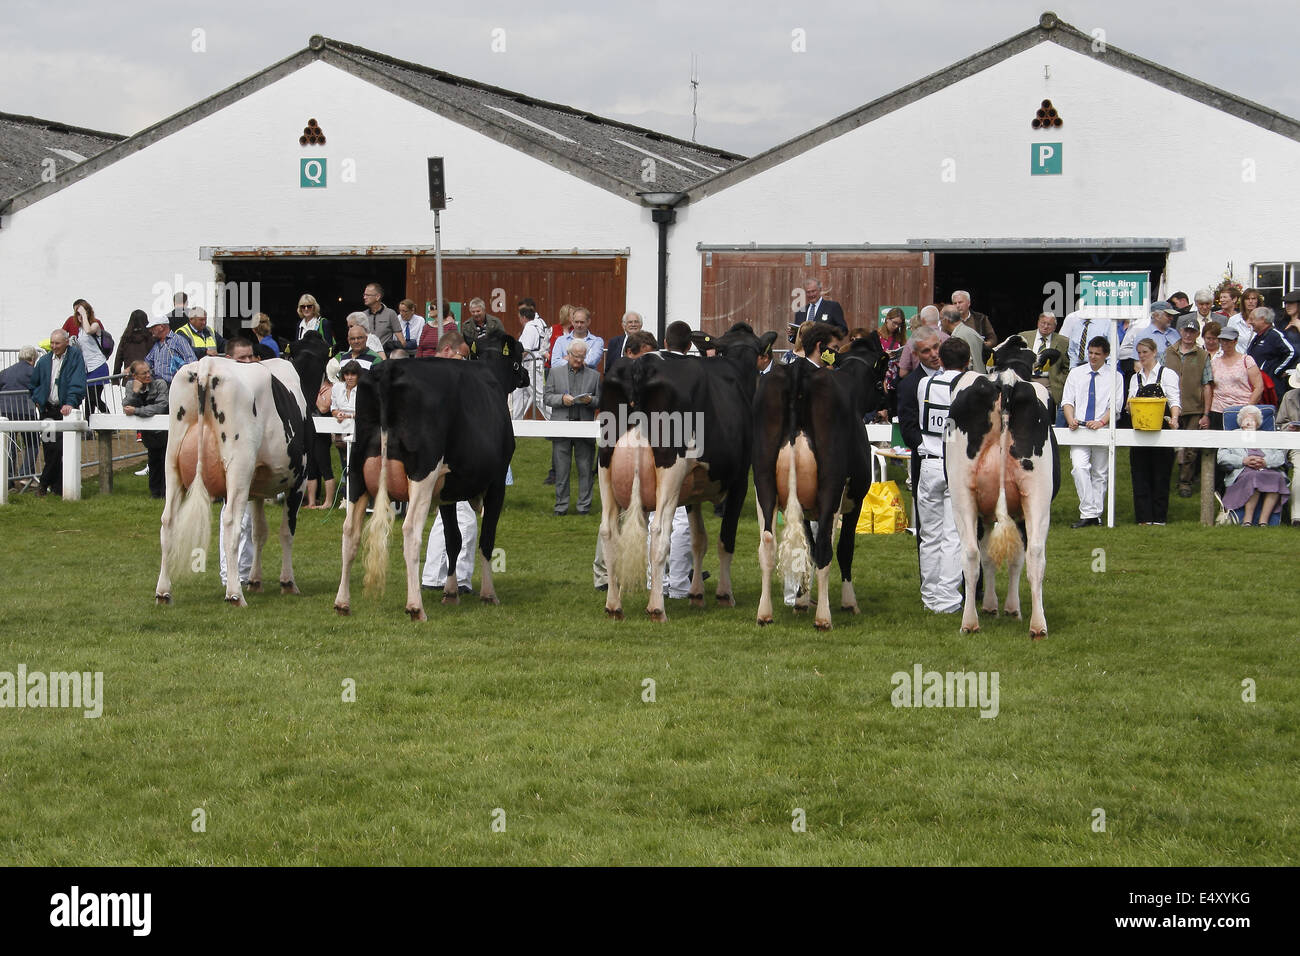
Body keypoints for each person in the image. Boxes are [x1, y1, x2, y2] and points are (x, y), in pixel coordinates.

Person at [898, 330, 966, 613]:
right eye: (927, 351)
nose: (933, 354)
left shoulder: (923, 384)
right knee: (952, 533)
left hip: (929, 462)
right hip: (951, 461)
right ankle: (947, 599)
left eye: (937, 349)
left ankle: (931, 597)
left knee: (929, 534)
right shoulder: (965, 385)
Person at [422, 336, 478, 594]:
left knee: (441, 518)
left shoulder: (426, 375)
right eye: (461, 356)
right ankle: (460, 577)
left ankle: (434, 575)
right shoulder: (447, 379)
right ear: (448, 350)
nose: (464, 362)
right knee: (463, 517)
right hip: (449, 455)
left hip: (430, 455)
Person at [1061, 336, 1123, 527]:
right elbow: (1067, 400)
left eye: (1097, 353)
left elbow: (1116, 405)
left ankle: (1094, 516)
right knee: (1079, 468)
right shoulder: (1076, 373)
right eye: (1090, 352)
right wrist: (1070, 419)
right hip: (1079, 428)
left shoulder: (1115, 376)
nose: (1093, 357)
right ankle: (1089, 512)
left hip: (1101, 428)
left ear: (1105, 355)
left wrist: (1101, 421)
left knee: (1100, 474)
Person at [1127, 338, 1181, 525]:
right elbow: (1130, 403)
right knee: (1140, 474)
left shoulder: (1167, 374)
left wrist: (1174, 419)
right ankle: (1143, 517)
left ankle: (1159, 517)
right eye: (1139, 352)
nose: (1142, 356)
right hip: (1140, 429)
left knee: (1161, 474)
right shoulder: (1136, 378)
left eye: (1145, 352)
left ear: (1154, 352)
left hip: (1162, 430)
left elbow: (1174, 400)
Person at [27, 329, 87, 497]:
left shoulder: (75, 357)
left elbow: (77, 382)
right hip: (47, 411)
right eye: (52, 343)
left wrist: (70, 402)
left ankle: (44, 483)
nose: (54, 346)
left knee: (60, 448)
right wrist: (38, 399)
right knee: (49, 448)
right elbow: (34, 384)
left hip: (64, 412)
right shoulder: (44, 361)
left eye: (57, 343)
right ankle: (57, 486)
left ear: (66, 342)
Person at [545, 339, 600, 515]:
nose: (578, 360)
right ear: (568, 355)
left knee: (585, 470)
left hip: (584, 427)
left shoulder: (594, 376)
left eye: (582, 357)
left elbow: (600, 400)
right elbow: (547, 397)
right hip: (562, 427)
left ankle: (584, 507)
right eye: (576, 357)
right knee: (562, 471)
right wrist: (561, 399)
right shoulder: (555, 372)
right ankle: (561, 506)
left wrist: (591, 400)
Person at [1164, 314, 1214, 497]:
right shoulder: (1168, 352)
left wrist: (1206, 413)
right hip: (1170, 407)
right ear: (1180, 331)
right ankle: (1167, 480)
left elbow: (1207, 384)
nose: (1188, 335)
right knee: (1170, 446)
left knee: (1191, 449)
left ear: (1197, 333)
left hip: (1194, 407)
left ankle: (1185, 482)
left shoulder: (1203, 355)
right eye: (1186, 330)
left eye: (1192, 331)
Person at [1218, 405, 1288, 525]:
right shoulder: (1232, 435)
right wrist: (1243, 460)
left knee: (1277, 478)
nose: (1249, 422)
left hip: (1266, 469)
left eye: (1253, 420)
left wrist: (1266, 462)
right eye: (1246, 419)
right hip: (1243, 470)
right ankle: (1247, 519)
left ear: (1258, 423)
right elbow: (1221, 457)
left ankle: (1264, 521)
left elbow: (1280, 456)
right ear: (1241, 422)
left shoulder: (1266, 436)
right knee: (1254, 476)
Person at [122, 360, 169, 498]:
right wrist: (135, 392)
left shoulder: (160, 384)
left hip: (165, 430)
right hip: (148, 432)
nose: (149, 375)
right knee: (153, 460)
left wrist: (137, 410)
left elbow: (161, 407)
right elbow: (126, 406)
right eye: (144, 374)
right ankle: (155, 493)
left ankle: (166, 493)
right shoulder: (131, 385)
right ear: (135, 376)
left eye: (149, 371)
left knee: (165, 461)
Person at [1209, 325, 1262, 430]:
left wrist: (1248, 409)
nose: (1225, 343)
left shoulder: (1247, 360)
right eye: (1222, 340)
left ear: (1235, 341)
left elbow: (1259, 387)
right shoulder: (1214, 362)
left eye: (1228, 340)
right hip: (1218, 410)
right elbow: (1210, 388)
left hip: (1241, 409)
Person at [0, 347, 39, 483]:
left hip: (5, 412)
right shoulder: (34, 372)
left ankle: (9, 478)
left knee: (9, 445)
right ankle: (26, 475)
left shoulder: (5, 371)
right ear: (33, 359)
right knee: (32, 442)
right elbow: (38, 390)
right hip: (26, 411)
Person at [1020, 311, 1069, 416]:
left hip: (1049, 381)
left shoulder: (1063, 341)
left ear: (1055, 327)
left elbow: (1067, 366)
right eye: (1043, 323)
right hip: (1027, 378)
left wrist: (1060, 379)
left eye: (1049, 324)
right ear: (1038, 323)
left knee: (1046, 404)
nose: (1045, 326)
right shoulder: (1024, 336)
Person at [68, 300, 111, 413]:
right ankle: (89, 426)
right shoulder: (80, 330)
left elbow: (88, 331)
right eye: (77, 314)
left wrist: (83, 314)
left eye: (82, 313)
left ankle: (110, 421)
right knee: (89, 399)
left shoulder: (95, 325)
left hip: (98, 366)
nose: (79, 316)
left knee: (94, 398)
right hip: (88, 368)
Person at [1244, 306, 1295, 400]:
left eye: (1252, 319)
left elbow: (1291, 352)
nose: (1250, 322)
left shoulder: (1274, 335)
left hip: (1271, 387)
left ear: (1263, 319)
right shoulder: (1258, 336)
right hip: (1258, 385)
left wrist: (1276, 371)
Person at [896, 306, 948, 378]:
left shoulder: (912, 341)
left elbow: (903, 373)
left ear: (922, 320)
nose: (933, 354)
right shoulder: (949, 339)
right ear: (938, 319)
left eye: (936, 347)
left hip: (919, 383)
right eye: (926, 351)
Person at [144, 314, 198, 384]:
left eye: (153, 327)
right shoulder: (157, 344)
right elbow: (148, 362)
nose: (150, 330)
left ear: (161, 327)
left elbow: (192, 362)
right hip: (158, 386)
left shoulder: (178, 340)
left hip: (174, 386)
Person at [113, 309, 154, 376]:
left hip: (129, 375)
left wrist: (116, 377)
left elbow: (118, 358)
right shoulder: (150, 337)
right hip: (146, 376)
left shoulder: (126, 338)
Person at [361, 282, 401, 350]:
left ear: (377, 297)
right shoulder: (362, 315)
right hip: (367, 355)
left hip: (384, 357)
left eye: (368, 295)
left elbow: (401, 340)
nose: (364, 297)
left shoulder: (390, 313)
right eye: (364, 294)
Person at [940, 305, 982, 369]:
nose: (940, 323)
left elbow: (965, 366)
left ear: (946, 320)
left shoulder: (956, 340)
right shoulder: (972, 332)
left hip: (969, 377)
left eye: (941, 319)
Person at [605, 310, 643, 377]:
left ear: (641, 325)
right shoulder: (614, 342)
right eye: (630, 322)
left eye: (636, 322)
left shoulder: (647, 342)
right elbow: (608, 368)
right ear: (623, 326)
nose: (633, 325)